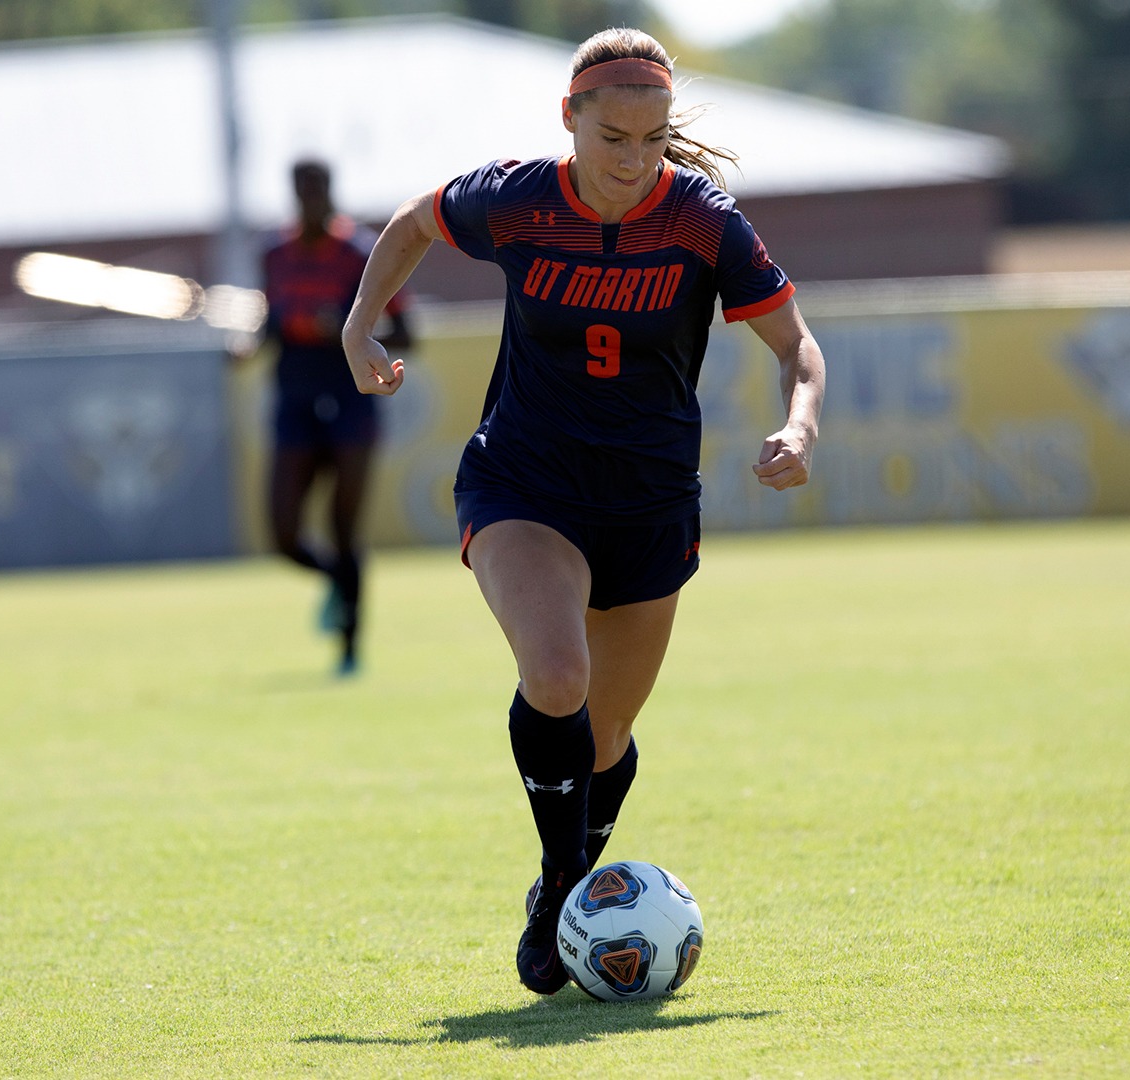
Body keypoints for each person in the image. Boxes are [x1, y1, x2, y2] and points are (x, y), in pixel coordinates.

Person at [339, 28, 824, 994]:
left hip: (648, 501)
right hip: (526, 483)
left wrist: (801, 427)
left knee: (604, 740)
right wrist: (360, 324)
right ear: (570, 119)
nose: (635, 161)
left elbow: (796, 348)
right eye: (614, 139)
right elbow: (411, 223)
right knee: (557, 676)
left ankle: (559, 883)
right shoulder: (518, 198)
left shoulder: (702, 222)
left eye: (653, 139)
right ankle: (566, 885)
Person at [260, 159, 411, 676]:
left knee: (345, 527)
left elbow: (406, 332)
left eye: (317, 190)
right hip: (294, 398)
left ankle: (349, 646)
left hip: (350, 397)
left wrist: (344, 331)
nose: (310, 201)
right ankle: (336, 583)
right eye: (301, 191)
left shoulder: (360, 254)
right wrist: (246, 345)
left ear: (329, 192)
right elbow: (270, 327)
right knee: (283, 533)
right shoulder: (274, 255)